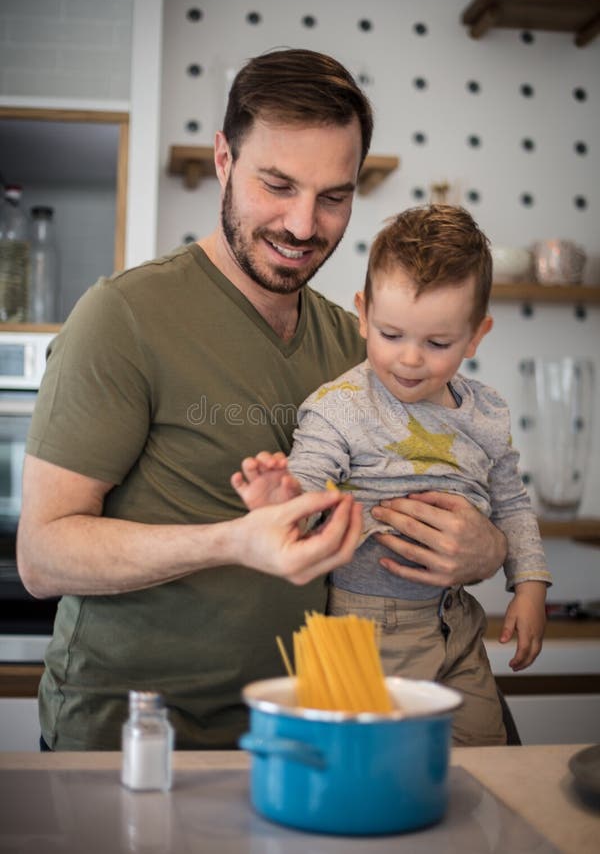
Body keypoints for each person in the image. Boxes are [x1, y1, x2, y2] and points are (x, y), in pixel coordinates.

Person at [17, 49, 507, 752]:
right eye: (276, 185)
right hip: (135, 733)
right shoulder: (122, 316)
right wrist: (232, 542)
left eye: (334, 197)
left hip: (307, 723)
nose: (304, 225)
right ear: (223, 159)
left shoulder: (359, 348)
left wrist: (484, 548)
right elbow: (42, 554)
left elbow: (440, 486)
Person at [232, 204, 552, 746]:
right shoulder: (339, 406)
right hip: (367, 633)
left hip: (459, 625)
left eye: (438, 343)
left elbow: (513, 505)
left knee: (488, 764)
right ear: (363, 314)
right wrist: (280, 499)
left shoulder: (488, 413)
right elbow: (308, 480)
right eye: (391, 333)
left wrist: (531, 586)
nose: (409, 359)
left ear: (476, 336)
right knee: (378, 768)